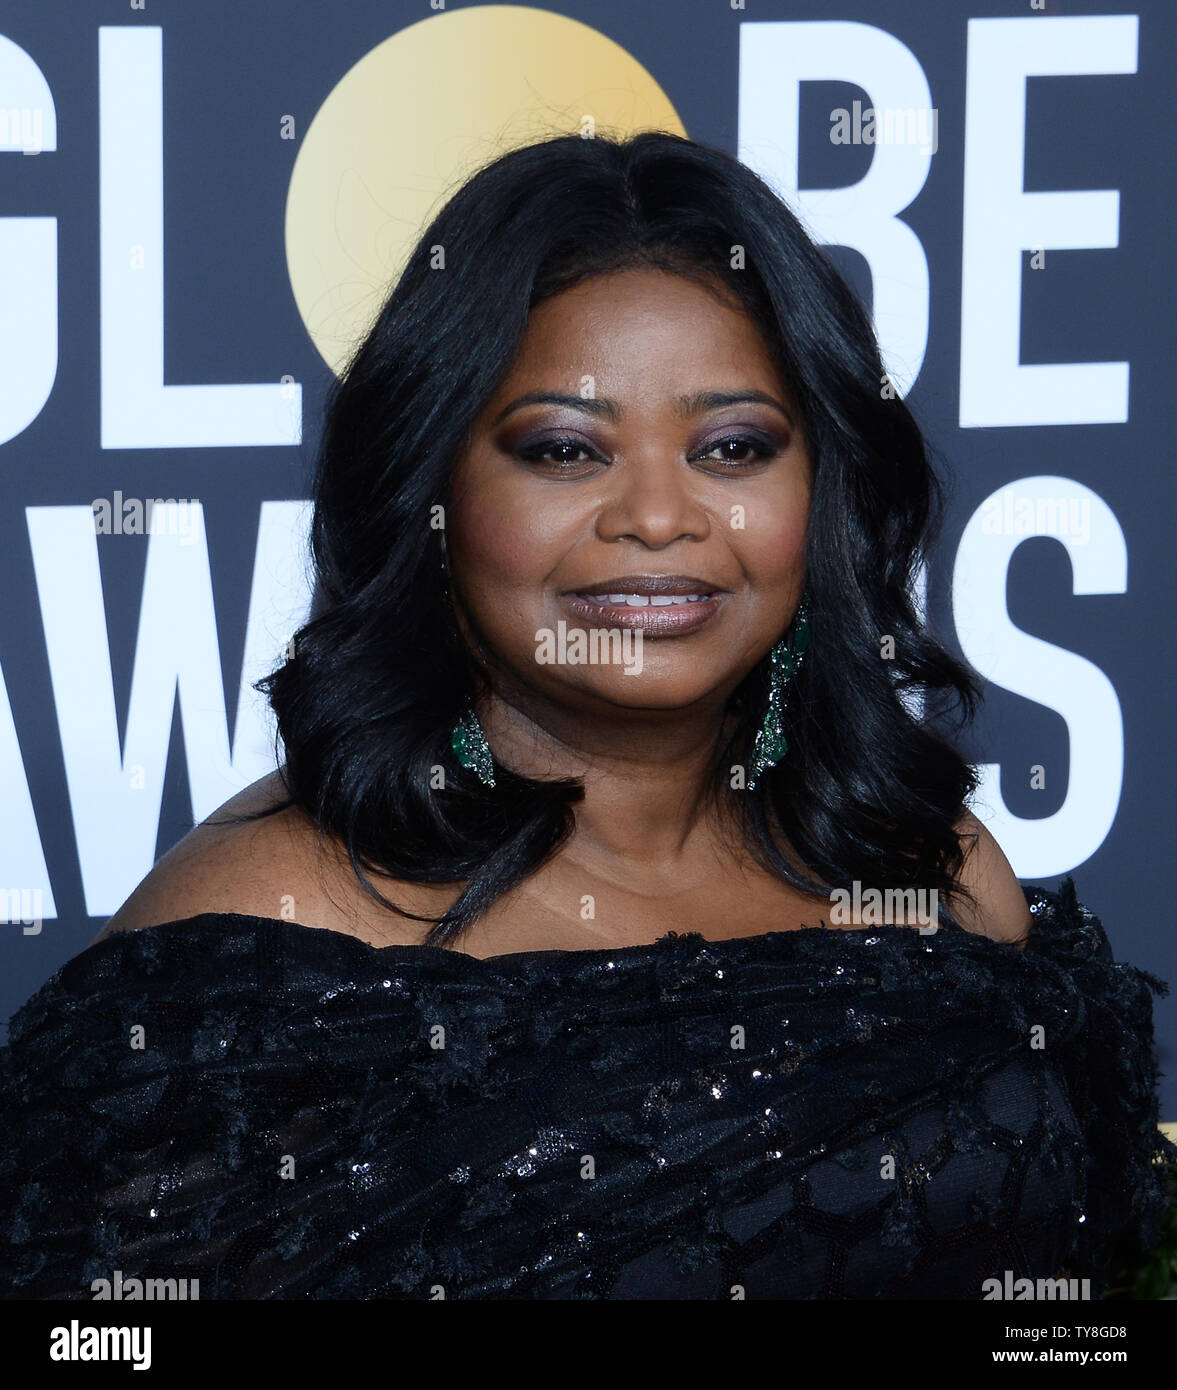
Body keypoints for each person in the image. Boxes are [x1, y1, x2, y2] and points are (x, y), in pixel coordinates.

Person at [1, 131, 1171, 1300]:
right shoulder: (262, 932)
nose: (658, 515)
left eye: (732, 447)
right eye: (565, 448)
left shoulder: (941, 875)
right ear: (433, 494)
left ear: (819, 492)